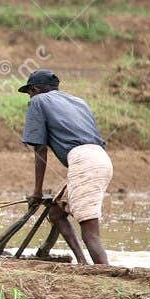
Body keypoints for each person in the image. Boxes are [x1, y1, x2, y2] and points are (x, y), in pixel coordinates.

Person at [18, 69, 112, 265]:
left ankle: (106, 273)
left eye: (29, 93)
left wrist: (37, 192)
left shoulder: (38, 101)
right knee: (56, 212)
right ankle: (82, 262)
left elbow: (40, 150)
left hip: (84, 162)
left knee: (90, 233)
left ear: (35, 89)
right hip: (100, 158)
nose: (30, 98)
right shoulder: (78, 102)